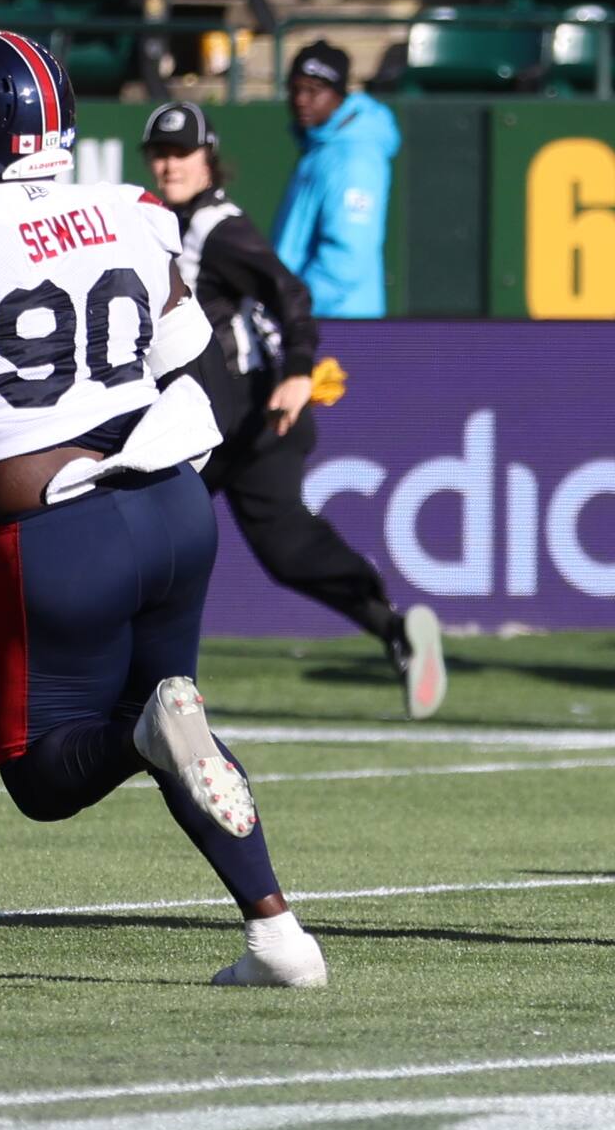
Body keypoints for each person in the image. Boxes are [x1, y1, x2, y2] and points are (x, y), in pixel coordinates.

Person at [0, 36, 322, 992]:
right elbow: (199, 362)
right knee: (173, 713)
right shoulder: (136, 212)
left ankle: (148, 737)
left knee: (45, 770)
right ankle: (280, 936)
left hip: (59, 534)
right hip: (174, 506)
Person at [134, 99, 443, 720]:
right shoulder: (165, 223)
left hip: (251, 410)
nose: (170, 166)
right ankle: (397, 630)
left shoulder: (216, 227)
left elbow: (290, 292)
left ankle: (395, 629)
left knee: (225, 543)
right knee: (188, 544)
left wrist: (300, 372)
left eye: (183, 153)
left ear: (209, 157)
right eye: (161, 154)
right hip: (214, 415)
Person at [271, 36, 396, 323]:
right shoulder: (320, 149)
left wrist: (295, 310)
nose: (301, 100)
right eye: (295, 89)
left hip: (338, 327)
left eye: (314, 90)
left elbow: (347, 257)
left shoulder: (354, 158)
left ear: (338, 95)